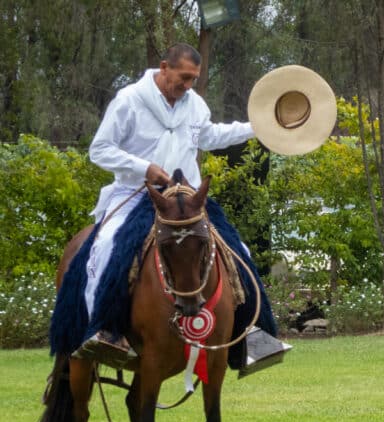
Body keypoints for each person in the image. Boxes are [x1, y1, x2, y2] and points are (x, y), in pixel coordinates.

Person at [51, 43, 279, 374]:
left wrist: (255, 128)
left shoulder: (194, 103)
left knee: (238, 249)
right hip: (136, 193)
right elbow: (99, 150)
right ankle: (106, 331)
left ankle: (255, 338)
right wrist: (145, 168)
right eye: (184, 77)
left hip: (187, 198)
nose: (188, 85)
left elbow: (210, 136)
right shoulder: (129, 100)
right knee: (108, 246)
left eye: (194, 79)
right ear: (164, 67)